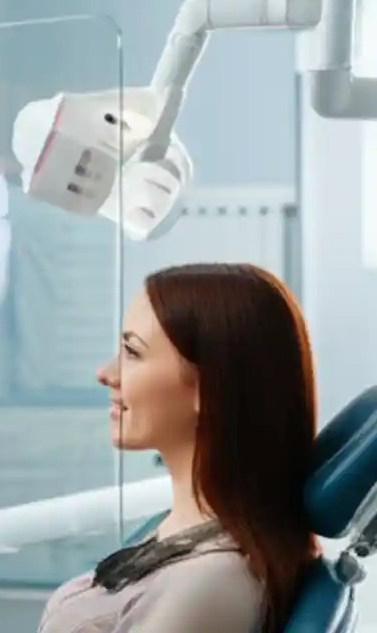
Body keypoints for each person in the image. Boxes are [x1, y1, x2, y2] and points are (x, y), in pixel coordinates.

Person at [38, 263, 318, 633]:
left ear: (209, 387)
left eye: (132, 352)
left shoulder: (206, 585)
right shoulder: (185, 530)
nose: (105, 373)